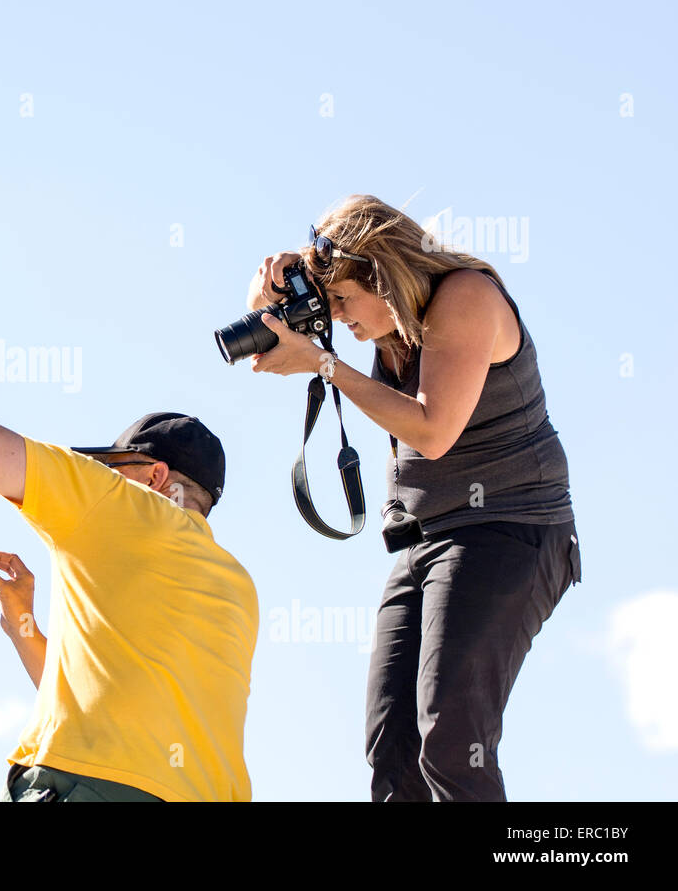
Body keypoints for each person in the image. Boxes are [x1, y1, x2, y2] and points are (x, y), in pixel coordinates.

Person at [246, 194, 579, 801]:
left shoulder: (465, 297)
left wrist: (323, 363)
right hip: (426, 538)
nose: (338, 315)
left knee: (452, 739)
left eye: (342, 299)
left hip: (509, 528)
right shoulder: (387, 320)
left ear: (382, 274)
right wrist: (272, 289)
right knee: (392, 752)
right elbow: (266, 326)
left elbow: (431, 430)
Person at [0, 406, 258, 802]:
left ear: (156, 476)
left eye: (116, 469)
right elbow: (90, 710)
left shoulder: (119, 503)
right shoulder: (238, 586)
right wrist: (21, 623)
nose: (108, 477)